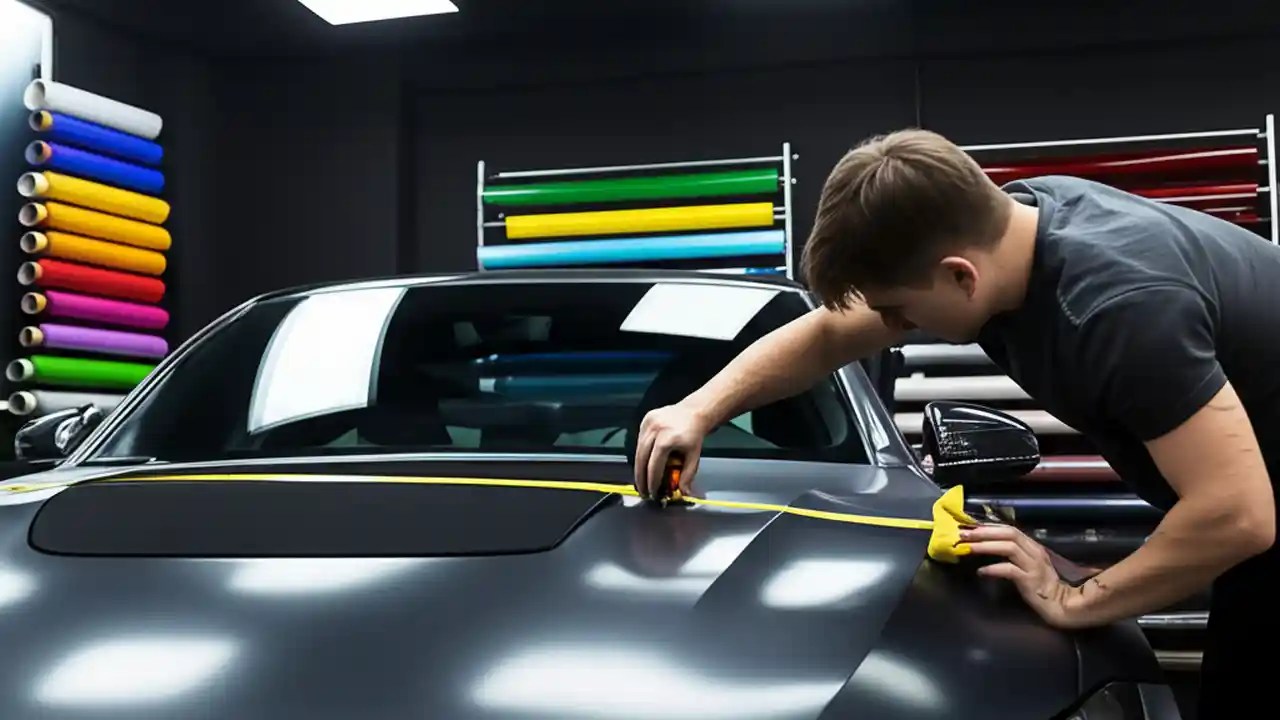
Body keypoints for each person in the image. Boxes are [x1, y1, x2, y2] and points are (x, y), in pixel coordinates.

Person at [632, 129, 1276, 716]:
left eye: (899, 313)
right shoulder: (1014, 224)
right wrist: (699, 407)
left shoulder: (1118, 310)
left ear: (959, 277)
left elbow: (1237, 514)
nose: (889, 330)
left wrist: (1077, 597)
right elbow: (832, 332)